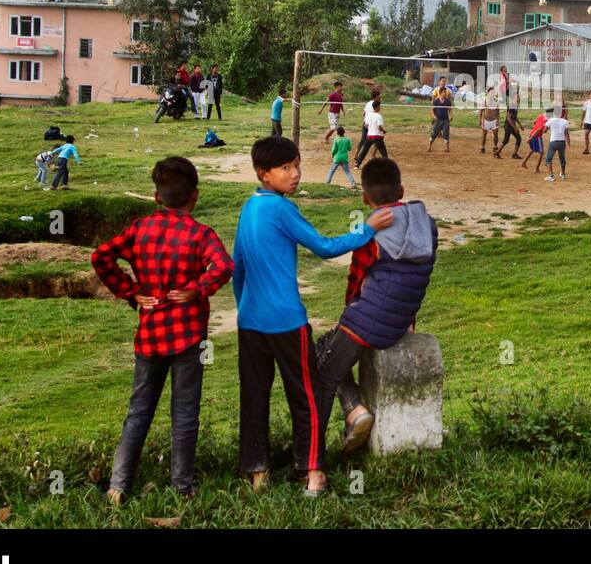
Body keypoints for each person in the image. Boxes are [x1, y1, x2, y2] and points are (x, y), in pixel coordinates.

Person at [232, 136, 393, 497]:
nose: (296, 174)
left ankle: (257, 471)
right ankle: (314, 473)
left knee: (254, 397)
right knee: (305, 396)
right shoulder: (280, 209)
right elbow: (323, 247)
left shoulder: (248, 207)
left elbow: (237, 268)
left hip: (250, 324)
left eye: (297, 165)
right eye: (286, 168)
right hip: (287, 323)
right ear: (264, 173)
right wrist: (367, 230)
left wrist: (245, 308)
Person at [92, 157, 234, 503]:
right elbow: (224, 265)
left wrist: (131, 292)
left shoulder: (140, 229)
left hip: (150, 335)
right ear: (195, 197)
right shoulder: (201, 235)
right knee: (185, 412)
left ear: (156, 196)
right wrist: (196, 288)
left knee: (138, 410)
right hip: (188, 337)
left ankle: (118, 485)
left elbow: (101, 257)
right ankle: (181, 486)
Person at [315, 158, 437, 457]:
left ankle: (352, 414)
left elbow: (356, 279)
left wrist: (348, 316)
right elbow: (418, 277)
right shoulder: (427, 225)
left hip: (365, 320)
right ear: (402, 189)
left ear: (365, 198)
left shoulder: (371, 234)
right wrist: (408, 319)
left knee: (322, 365)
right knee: (331, 346)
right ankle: (356, 415)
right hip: (399, 321)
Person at [356, 99, 387, 165]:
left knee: (364, 151)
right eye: (380, 106)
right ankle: (388, 165)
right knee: (384, 152)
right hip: (377, 137)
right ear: (377, 107)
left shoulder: (369, 115)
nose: (380, 108)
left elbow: (365, 125)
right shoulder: (379, 116)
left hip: (369, 136)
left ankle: (357, 164)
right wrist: (384, 131)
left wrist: (370, 129)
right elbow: (379, 127)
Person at [543, 106, 570, 181]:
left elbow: (544, 131)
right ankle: (563, 174)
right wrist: (568, 144)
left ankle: (551, 176)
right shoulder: (565, 121)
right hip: (562, 142)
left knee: (548, 159)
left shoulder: (551, 120)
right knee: (562, 159)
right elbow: (567, 133)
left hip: (553, 141)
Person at [427, 86, 453, 153]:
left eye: (446, 92)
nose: (446, 93)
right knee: (434, 134)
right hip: (437, 120)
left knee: (446, 134)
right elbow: (432, 110)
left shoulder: (448, 101)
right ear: (441, 93)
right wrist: (433, 116)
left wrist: (451, 116)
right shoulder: (436, 101)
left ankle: (447, 148)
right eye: (444, 92)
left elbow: (450, 110)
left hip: (445, 120)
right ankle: (429, 147)